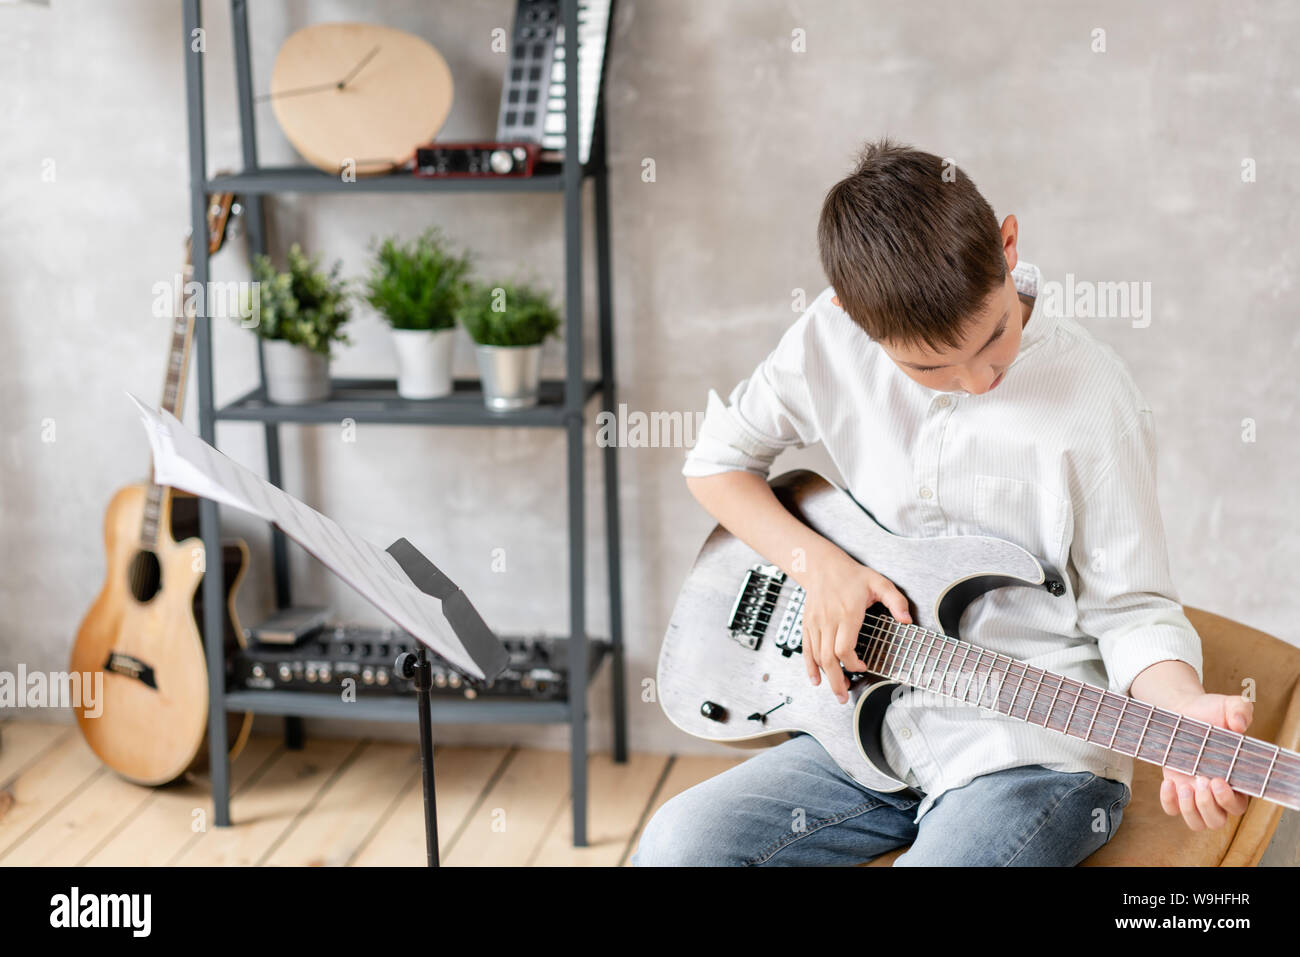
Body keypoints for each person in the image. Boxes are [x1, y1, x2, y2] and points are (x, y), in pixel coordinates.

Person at [632, 139, 1253, 866]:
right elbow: (716, 464)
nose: (980, 378)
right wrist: (820, 567)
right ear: (848, 316)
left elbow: (1132, 610)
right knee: (679, 843)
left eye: (994, 335)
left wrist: (1179, 712)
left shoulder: (1093, 395)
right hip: (865, 736)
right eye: (929, 366)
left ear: (1008, 246)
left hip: (1031, 756)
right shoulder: (825, 344)